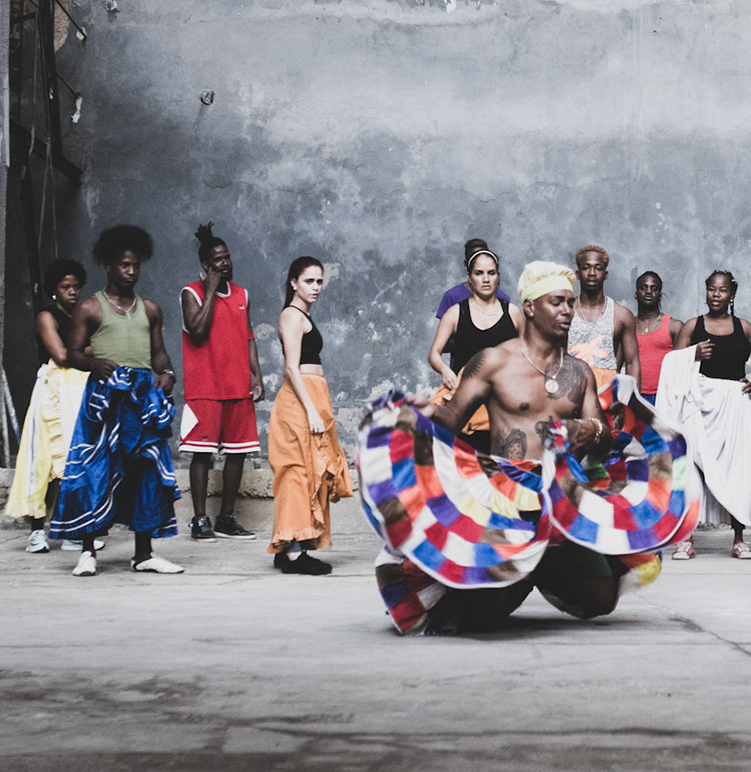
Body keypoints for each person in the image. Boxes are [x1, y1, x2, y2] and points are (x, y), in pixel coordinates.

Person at [365, 261, 688, 635]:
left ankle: (546, 567)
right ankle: (519, 574)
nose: (568, 310)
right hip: (510, 501)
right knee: (483, 618)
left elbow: (602, 444)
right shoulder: (493, 362)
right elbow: (450, 421)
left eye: (570, 302)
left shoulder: (579, 372)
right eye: (557, 302)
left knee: (601, 600)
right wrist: (418, 415)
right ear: (531, 307)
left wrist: (590, 431)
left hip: (562, 497)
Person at [52, 225, 184, 577]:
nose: (130, 271)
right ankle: (88, 552)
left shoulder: (151, 310)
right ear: (108, 266)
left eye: (135, 265)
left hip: (142, 401)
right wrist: (95, 364)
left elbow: (158, 355)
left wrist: (168, 374)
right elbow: (72, 354)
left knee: (146, 474)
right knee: (98, 471)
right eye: (124, 265)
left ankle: (144, 554)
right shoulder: (90, 308)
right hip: (105, 400)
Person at [663, 270, 751, 559]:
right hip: (698, 402)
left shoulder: (744, 327)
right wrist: (692, 355)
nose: (716, 294)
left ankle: (738, 540)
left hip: (733, 403)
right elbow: (671, 364)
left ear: (731, 295)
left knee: (735, 470)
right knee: (694, 470)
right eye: (711, 289)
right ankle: (686, 539)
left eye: (722, 290)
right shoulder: (692, 326)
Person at [267, 255, 352, 575]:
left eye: (319, 281)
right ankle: (291, 553)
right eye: (309, 281)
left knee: (311, 473)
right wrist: (311, 409)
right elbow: (291, 367)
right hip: (299, 401)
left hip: (313, 396)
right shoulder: (291, 315)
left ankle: (292, 546)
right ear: (293, 283)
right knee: (296, 473)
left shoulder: (302, 314)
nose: (316, 287)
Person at [180, 223, 264, 543]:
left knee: (238, 452)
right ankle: (199, 520)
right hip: (205, 387)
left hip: (237, 385)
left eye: (228, 257)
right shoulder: (191, 293)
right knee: (201, 454)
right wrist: (211, 290)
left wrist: (256, 374)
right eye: (218, 259)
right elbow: (197, 330)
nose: (226, 263)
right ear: (206, 265)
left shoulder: (243, 294)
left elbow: (249, 336)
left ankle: (226, 518)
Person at [4, 258, 92, 554]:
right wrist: (95, 347)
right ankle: (36, 532)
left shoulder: (82, 314)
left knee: (72, 461)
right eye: (65, 287)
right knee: (42, 461)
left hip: (79, 388)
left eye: (76, 287)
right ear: (54, 290)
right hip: (52, 391)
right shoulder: (46, 316)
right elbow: (62, 355)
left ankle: (69, 530)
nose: (72, 292)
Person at [427, 245, 521, 449]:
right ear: (469, 277)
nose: (486, 279)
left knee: (502, 466)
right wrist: (445, 371)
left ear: (498, 276)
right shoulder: (455, 313)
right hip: (464, 397)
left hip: (503, 400)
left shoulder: (513, 313)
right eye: (479, 273)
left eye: (491, 273)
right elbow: (434, 353)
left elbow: (529, 353)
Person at [567, 245, 640, 389]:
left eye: (598, 268)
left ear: (606, 275)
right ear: (577, 274)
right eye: (586, 267)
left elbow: (632, 363)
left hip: (606, 392)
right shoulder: (565, 311)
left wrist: (630, 401)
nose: (592, 273)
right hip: (570, 389)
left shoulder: (621, 315)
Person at [433, 237, 510, 319]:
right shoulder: (452, 296)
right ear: (466, 264)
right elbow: (444, 329)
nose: (486, 279)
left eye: (491, 273)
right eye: (473, 259)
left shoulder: (503, 298)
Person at [633, 271, 680, 403]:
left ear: (660, 296)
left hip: (665, 396)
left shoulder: (674, 326)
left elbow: (684, 368)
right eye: (643, 287)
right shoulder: (628, 325)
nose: (648, 292)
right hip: (635, 396)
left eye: (654, 288)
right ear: (636, 294)